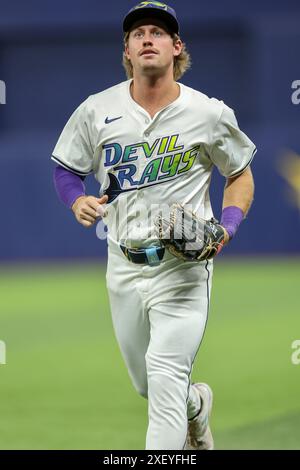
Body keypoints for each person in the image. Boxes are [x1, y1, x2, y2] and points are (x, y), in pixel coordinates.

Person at [52, 1, 256, 450]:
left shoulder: (208, 113)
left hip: (182, 270)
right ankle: (198, 407)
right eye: (138, 33)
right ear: (126, 49)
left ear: (176, 46)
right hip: (123, 264)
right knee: (149, 385)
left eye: (158, 32)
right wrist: (77, 199)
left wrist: (228, 226)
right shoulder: (97, 109)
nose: (148, 38)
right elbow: (67, 169)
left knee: (165, 376)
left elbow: (239, 173)